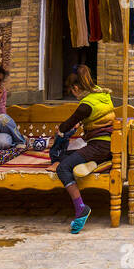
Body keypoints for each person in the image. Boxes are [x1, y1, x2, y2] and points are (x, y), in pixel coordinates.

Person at [51, 64, 114, 233]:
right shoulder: (101, 94)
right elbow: (95, 117)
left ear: (76, 88)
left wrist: (59, 130)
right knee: (67, 156)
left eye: (72, 91)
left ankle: (81, 208)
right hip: (108, 144)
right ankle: (96, 162)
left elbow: (66, 125)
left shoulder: (85, 105)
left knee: (62, 167)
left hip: (99, 146)